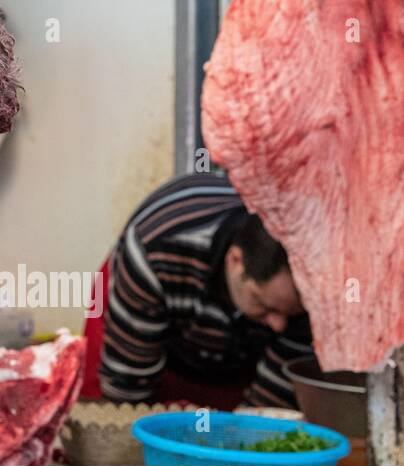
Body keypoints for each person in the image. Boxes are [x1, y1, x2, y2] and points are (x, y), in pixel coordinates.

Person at [81, 172, 314, 409]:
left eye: (290, 314)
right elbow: (126, 392)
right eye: (265, 307)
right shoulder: (155, 251)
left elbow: (270, 405)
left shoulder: (314, 282)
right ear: (235, 260)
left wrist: (242, 435)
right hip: (147, 298)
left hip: (236, 352)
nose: (278, 325)